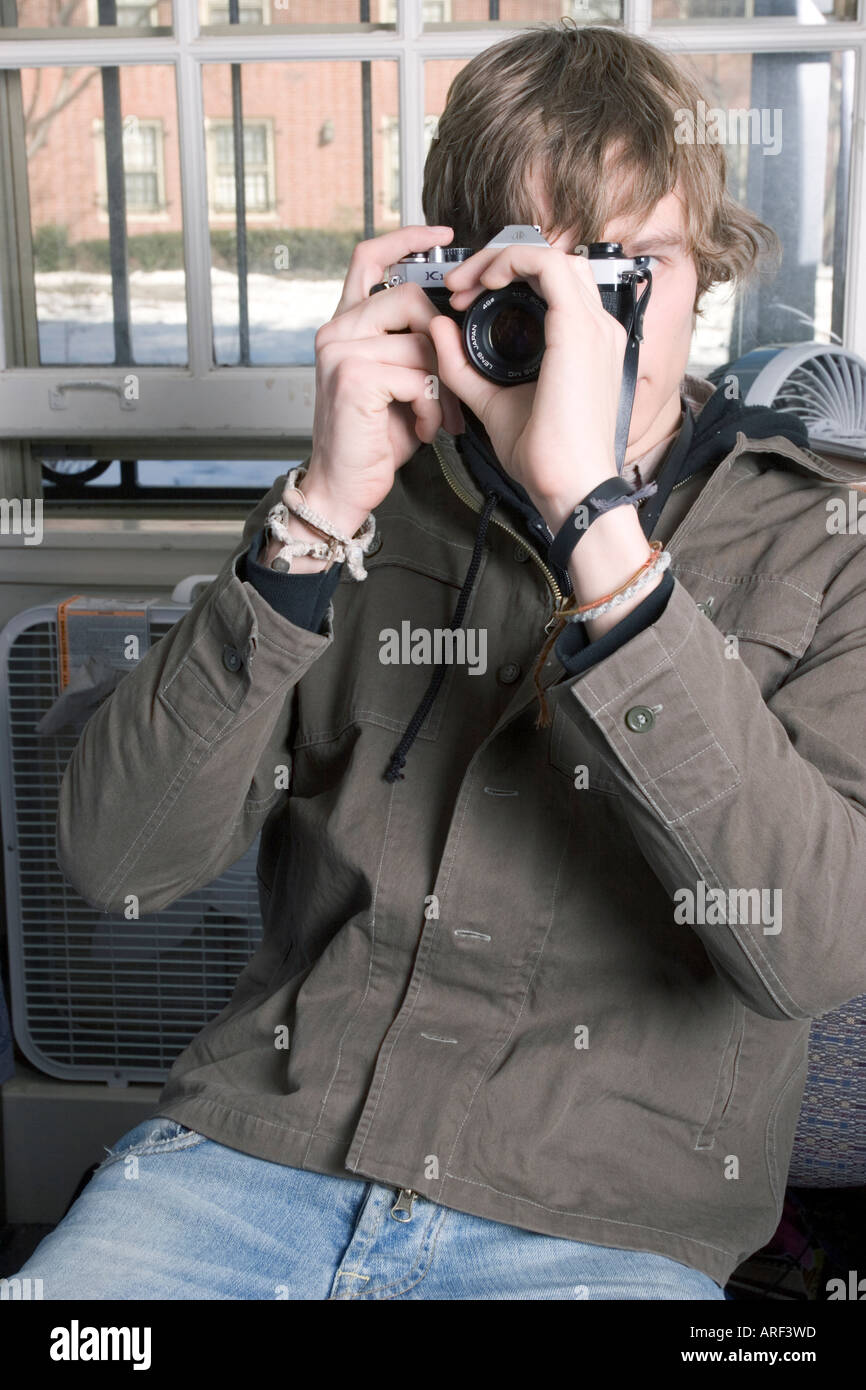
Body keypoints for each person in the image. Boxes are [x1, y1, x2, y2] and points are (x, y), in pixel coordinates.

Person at [16, 21, 866, 1301]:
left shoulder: (823, 539)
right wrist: (313, 512)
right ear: (455, 276)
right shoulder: (370, 495)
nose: (587, 326)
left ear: (707, 281)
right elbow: (116, 863)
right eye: (542, 275)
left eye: (630, 269)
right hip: (246, 1169)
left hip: (597, 1225)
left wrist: (599, 534)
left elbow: (807, 953)